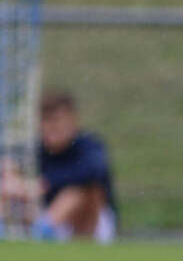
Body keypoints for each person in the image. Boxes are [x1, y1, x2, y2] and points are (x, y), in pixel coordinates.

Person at [31, 89, 118, 242]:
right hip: (48, 213)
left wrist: (45, 184)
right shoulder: (35, 151)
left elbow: (93, 172)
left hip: (89, 222)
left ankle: (43, 230)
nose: (50, 127)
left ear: (72, 120)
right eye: (45, 121)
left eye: (56, 120)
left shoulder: (89, 146)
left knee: (78, 191)